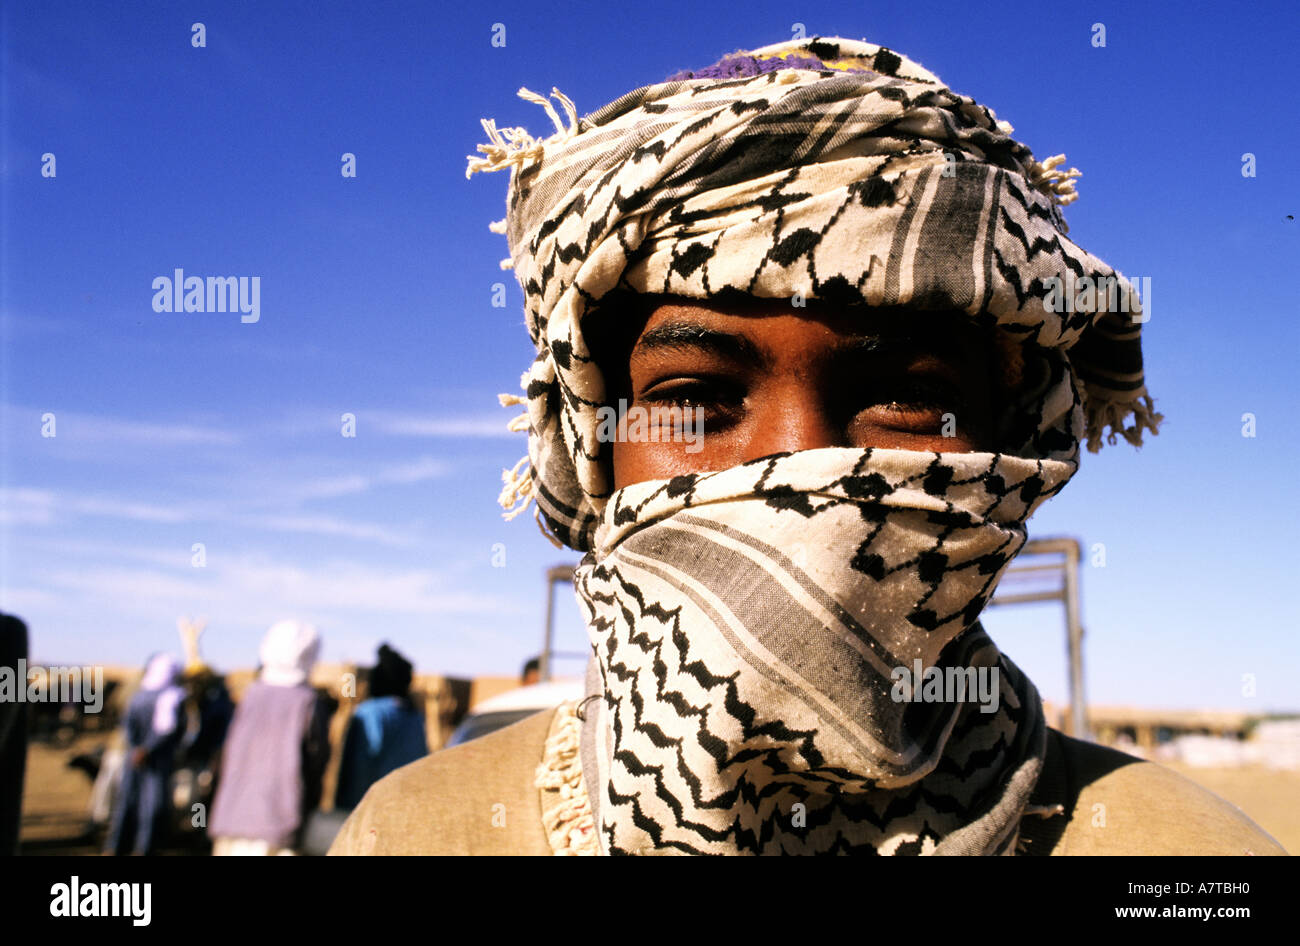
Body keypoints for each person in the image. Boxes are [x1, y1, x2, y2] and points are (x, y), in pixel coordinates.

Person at [330, 37, 1286, 855]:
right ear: (591, 445)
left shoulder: (1186, 856)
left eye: (909, 398)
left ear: (1015, 436)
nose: (798, 473)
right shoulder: (416, 832)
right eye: (695, 399)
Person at [208, 620, 332, 855]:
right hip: (278, 821)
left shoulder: (250, 695)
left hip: (232, 816)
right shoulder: (308, 703)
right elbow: (316, 763)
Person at [105, 652, 187, 855]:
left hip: (132, 758)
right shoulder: (174, 697)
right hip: (157, 760)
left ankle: (117, 845)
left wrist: (136, 749)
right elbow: (171, 731)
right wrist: (148, 750)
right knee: (152, 806)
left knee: (127, 802)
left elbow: (127, 725)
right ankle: (145, 847)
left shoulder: (138, 696)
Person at [333, 644, 428, 810]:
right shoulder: (415, 717)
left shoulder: (369, 713)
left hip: (371, 810)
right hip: (405, 807)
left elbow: (359, 769)